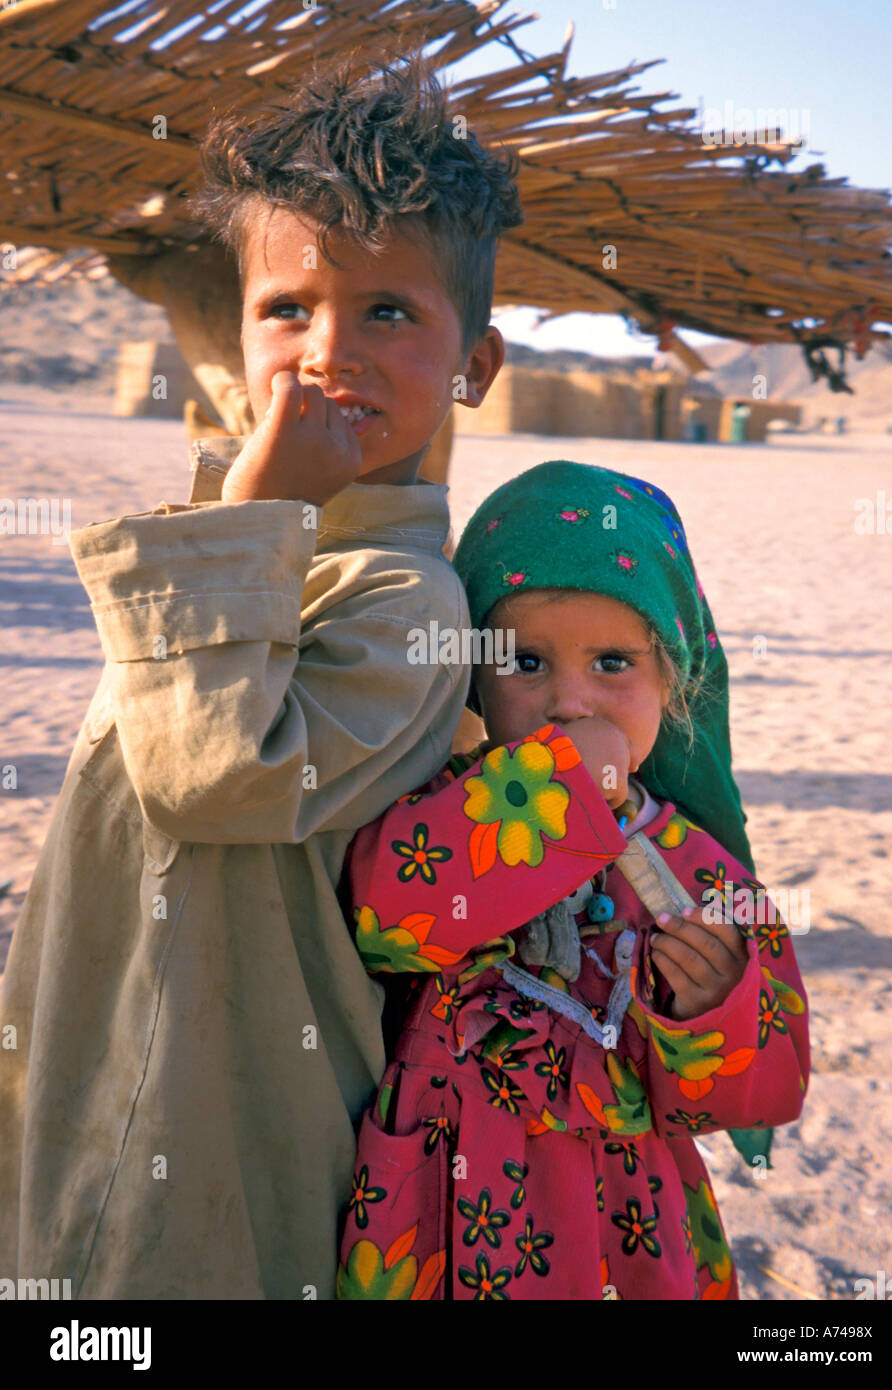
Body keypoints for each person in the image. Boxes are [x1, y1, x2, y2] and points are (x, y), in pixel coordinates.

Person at [0, 51, 523, 1299]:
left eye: (389, 311)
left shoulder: (408, 602)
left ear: (476, 369)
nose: (324, 352)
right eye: (286, 309)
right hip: (94, 1041)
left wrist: (258, 512)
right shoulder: (240, 543)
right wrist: (253, 519)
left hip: (221, 1114)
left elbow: (215, 774)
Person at [336, 461, 809, 1300]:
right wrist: (548, 800)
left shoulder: (696, 865)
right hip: (442, 1198)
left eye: (614, 663)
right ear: (475, 680)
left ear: (674, 678)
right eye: (527, 663)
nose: (571, 700)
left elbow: (763, 1086)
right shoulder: (444, 812)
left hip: (626, 1222)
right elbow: (382, 920)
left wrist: (711, 1007)